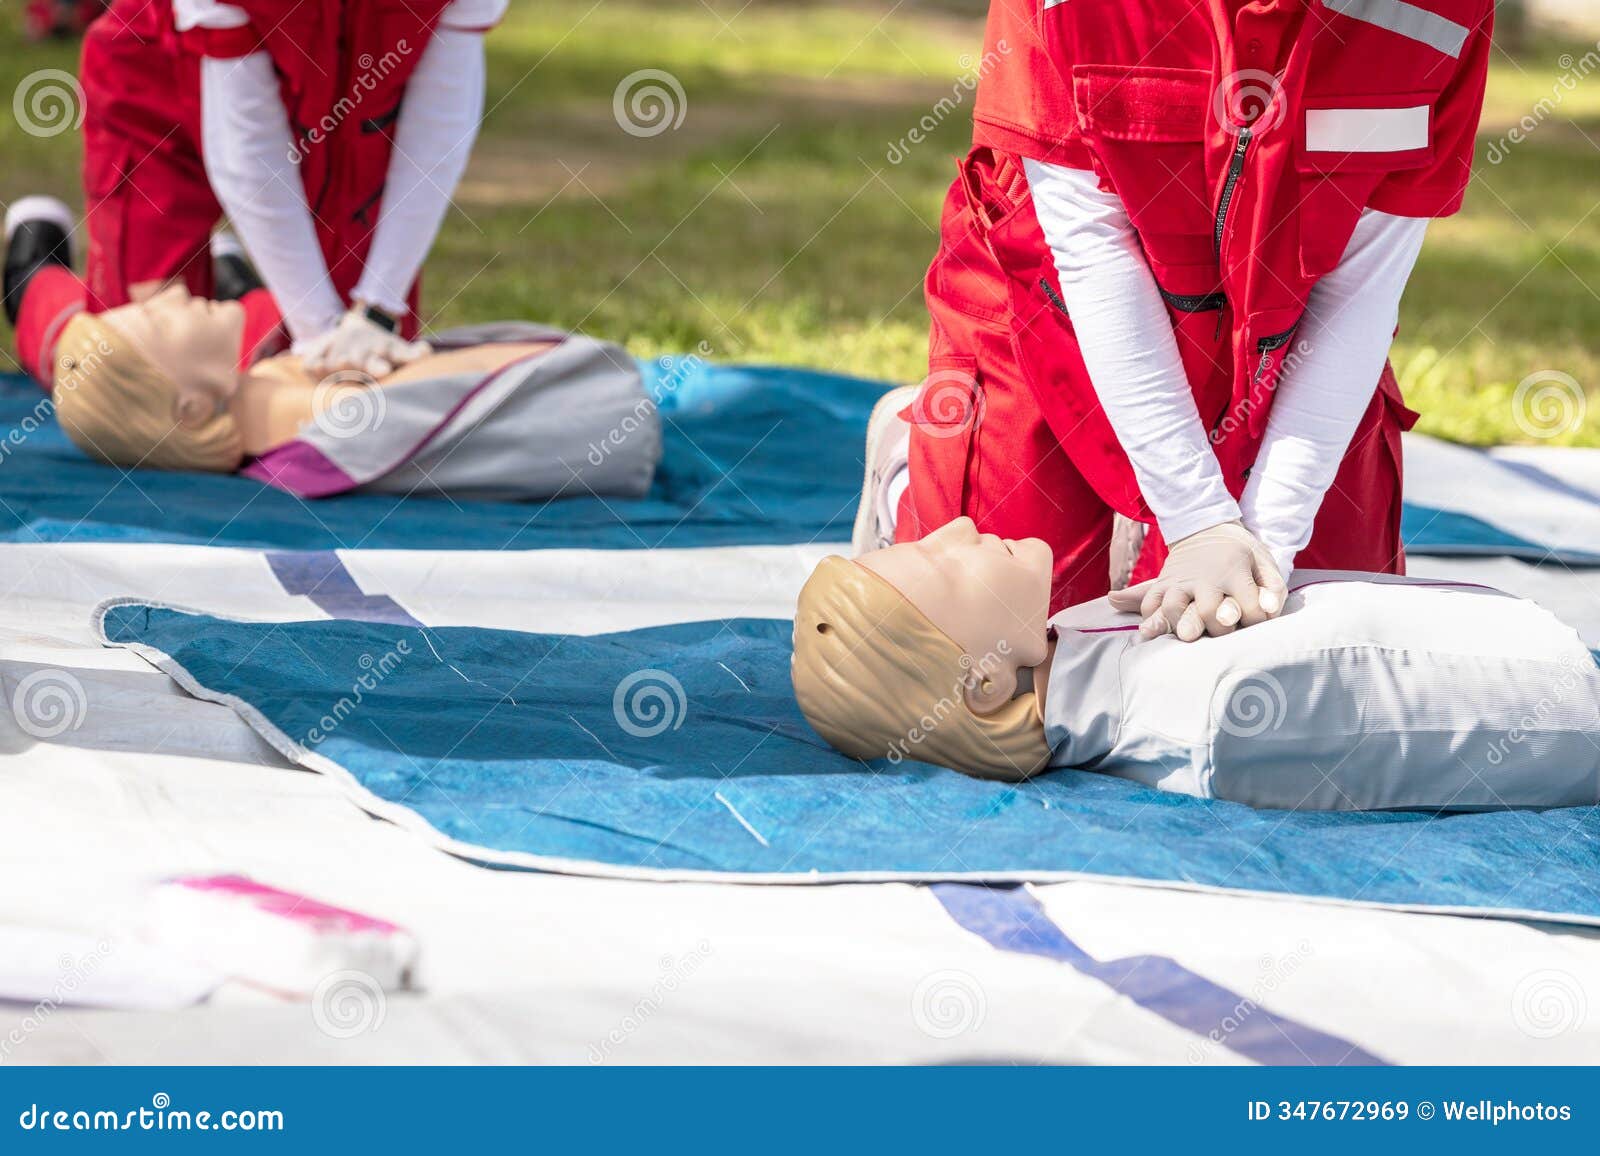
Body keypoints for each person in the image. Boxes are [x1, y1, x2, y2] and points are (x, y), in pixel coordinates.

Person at [855, 0, 1494, 646]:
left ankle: (1158, 509)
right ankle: (914, 464)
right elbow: (1088, 246)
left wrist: (1263, 548)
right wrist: (1197, 518)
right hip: (1054, 303)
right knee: (994, 653)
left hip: (1287, 336)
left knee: (1335, 668)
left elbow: (1360, 288)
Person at [792, 519, 1600, 811]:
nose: (959, 525)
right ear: (983, 683)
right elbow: (1427, 704)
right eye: (939, 562)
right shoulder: (1217, 711)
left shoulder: (1078, 635)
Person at [6, 0, 507, 385]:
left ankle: (238, 290)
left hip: (342, 124)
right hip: (159, 87)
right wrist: (318, 331)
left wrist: (378, 308)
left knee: (369, 382)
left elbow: (440, 119)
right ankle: (31, 281)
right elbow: (247, 148)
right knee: (133, 373)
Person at [45, 283, 659, 502]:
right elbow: (502, 379)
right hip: (605, 405)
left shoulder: (284, 389)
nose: (173, 294)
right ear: (191, 407)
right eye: (156, 320)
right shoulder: (322, 412)